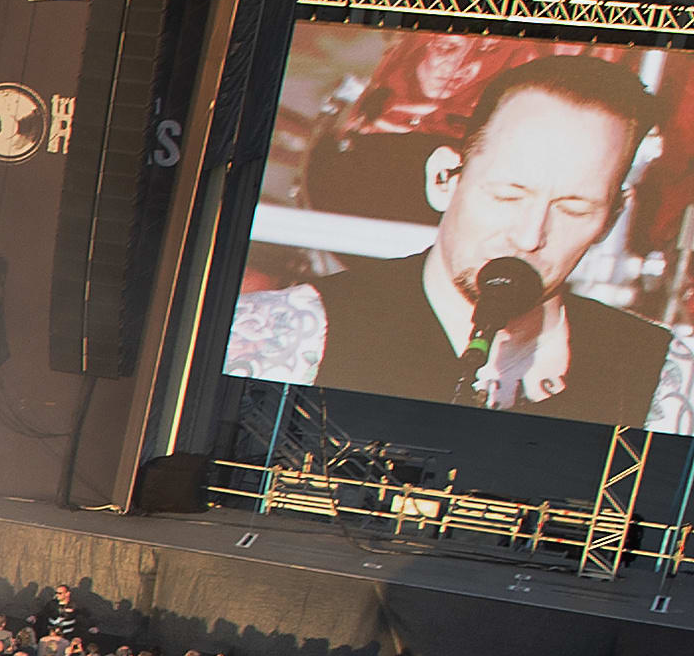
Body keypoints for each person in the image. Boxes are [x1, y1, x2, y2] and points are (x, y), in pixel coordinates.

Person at [274, 59, 674, 424]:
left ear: (611, 220)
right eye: (507, 195)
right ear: (444, 178)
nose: (529, 237)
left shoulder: (664, 374)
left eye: (573, 209)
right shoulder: (290, 335)